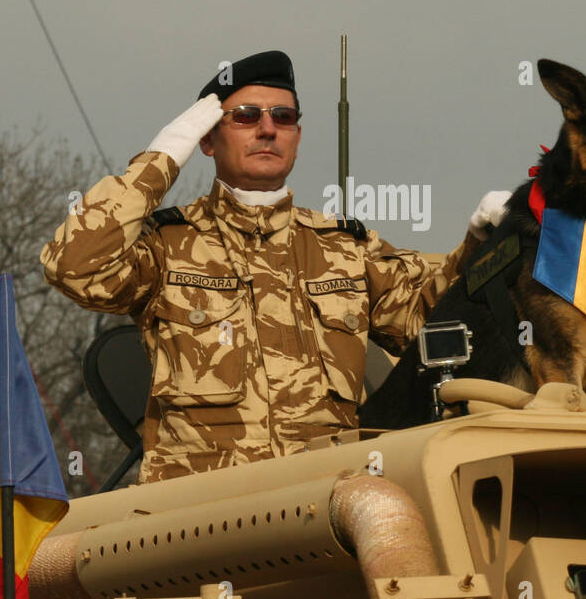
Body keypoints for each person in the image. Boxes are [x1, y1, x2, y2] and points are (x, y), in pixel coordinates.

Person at [41, 50, 508, 483]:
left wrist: (484, 245)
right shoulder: (168, 246)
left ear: (298, 137)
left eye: (282, 118)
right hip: (196, 514)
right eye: (245, 117)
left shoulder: (346, 247)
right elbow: (75, 267)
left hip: (327, 503)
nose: (267, 129)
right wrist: (163, 157)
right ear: (206, 138)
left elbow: (430, 319)